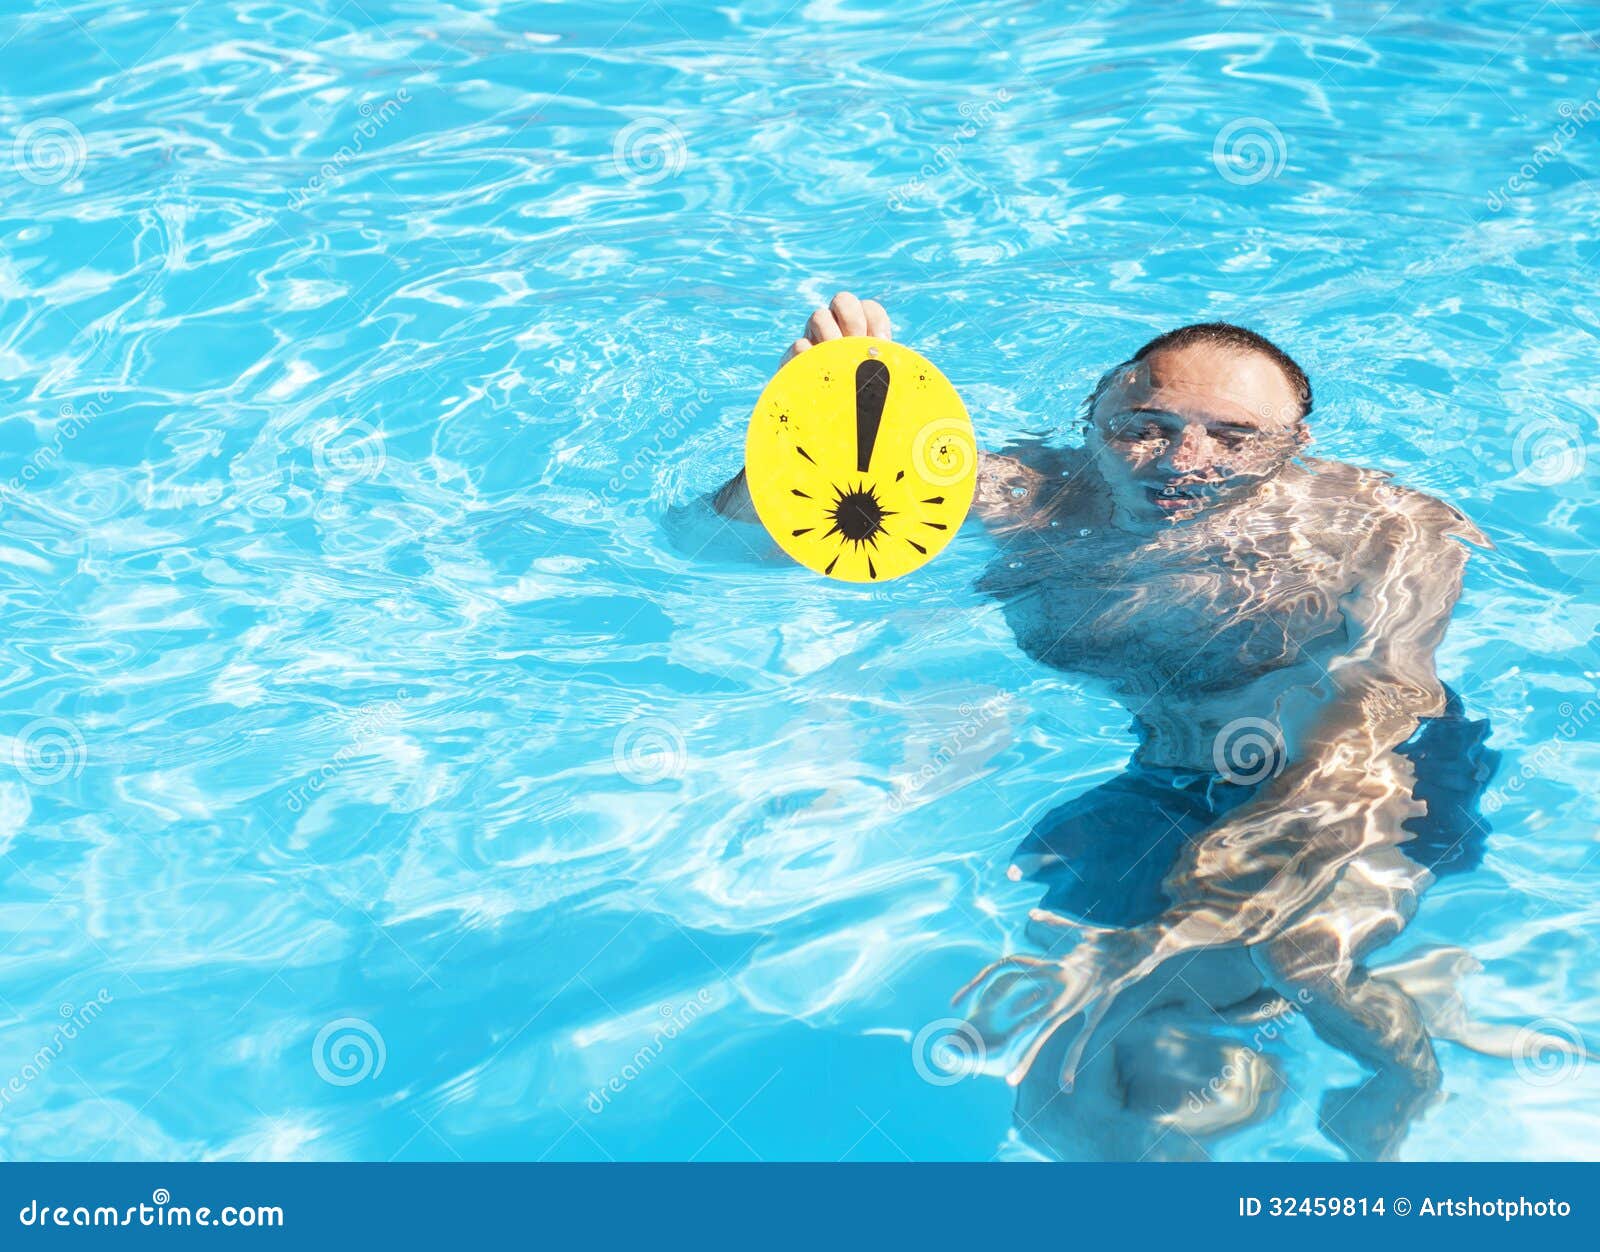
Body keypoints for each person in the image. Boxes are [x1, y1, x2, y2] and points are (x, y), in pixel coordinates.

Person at [694, 292, 1499, 1160]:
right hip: (1165, 783)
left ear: (1295, 445)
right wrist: (800, 427)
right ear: (1092, 423)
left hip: (1367, 769)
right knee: (1064, 1099)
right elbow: (728, 552)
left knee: (1297, 954)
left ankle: (1402, 1073)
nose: (1181, 461)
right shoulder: (1024, 495)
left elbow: (1383, 693)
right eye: (1142, 428)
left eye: (1234, 438)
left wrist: (1283, 822)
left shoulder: (1388, 526)